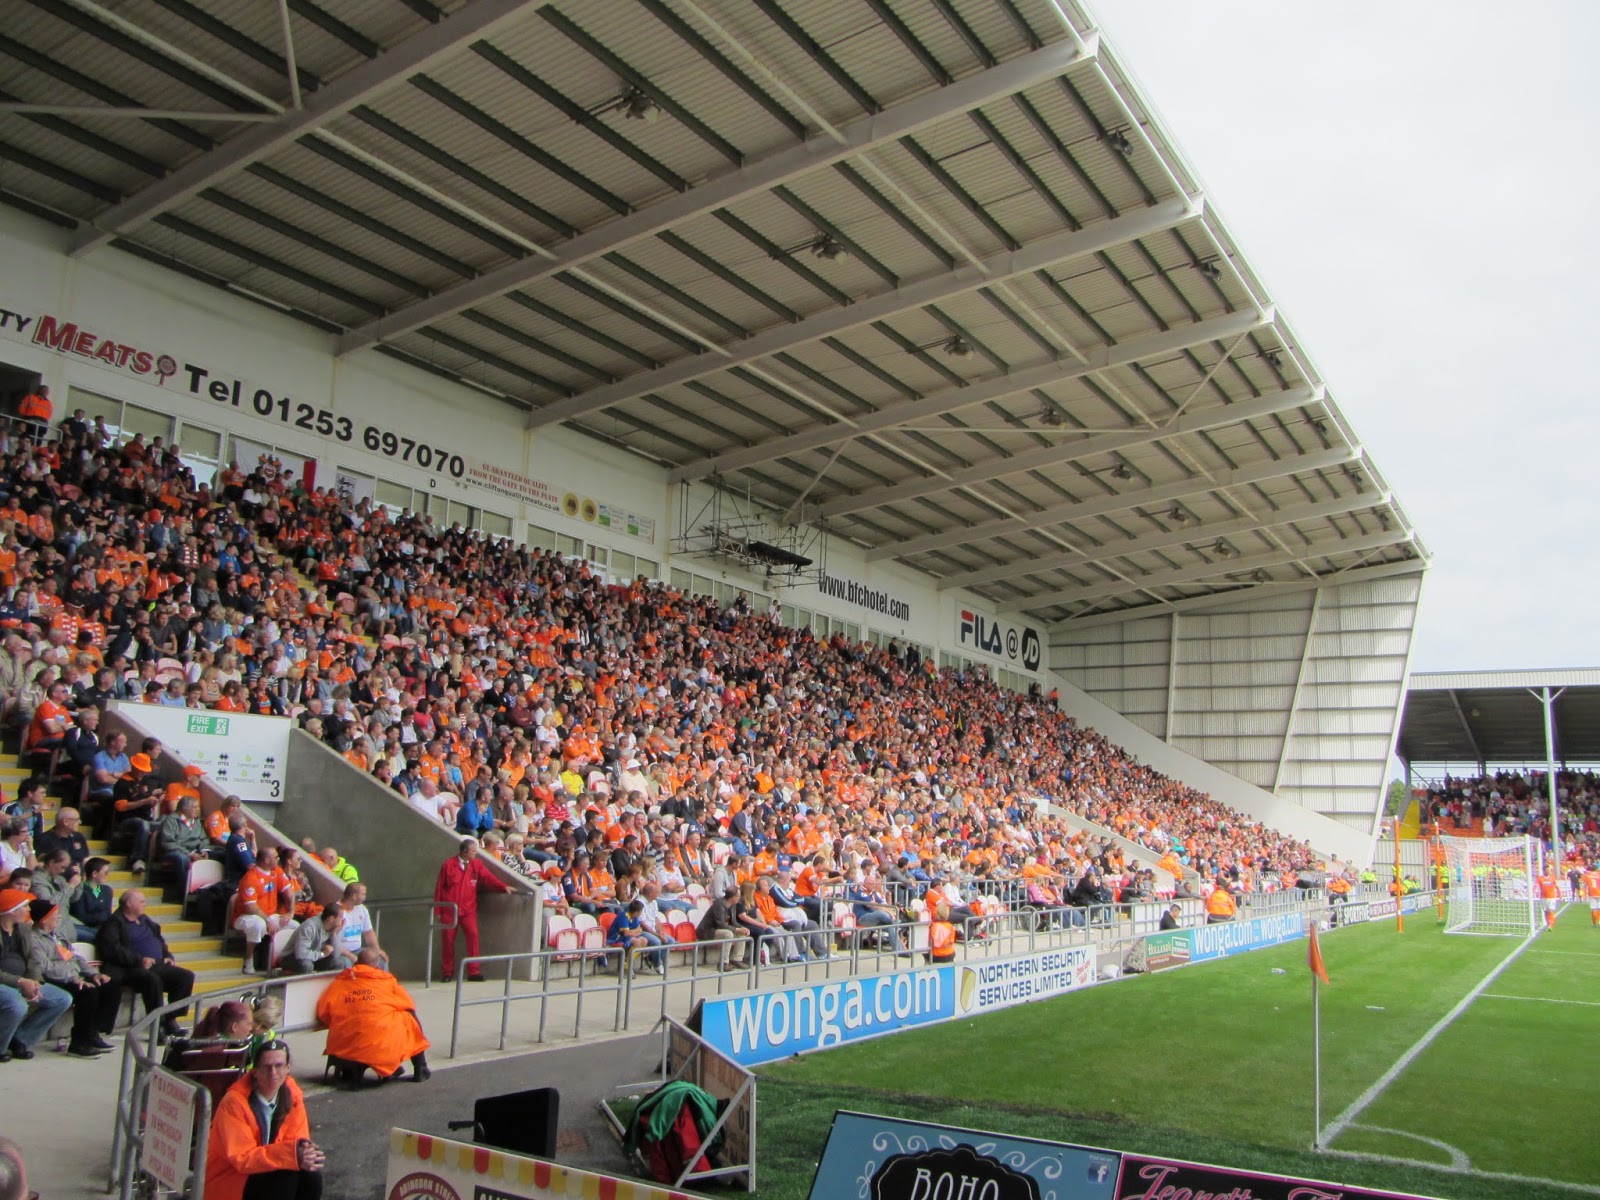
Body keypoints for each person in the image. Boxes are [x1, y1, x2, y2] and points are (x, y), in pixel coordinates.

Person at [205, 1038, 325, 1200]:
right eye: (267, 1067)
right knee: (286, 1176)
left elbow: (297, 1140)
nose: (273, 1073)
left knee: (311, 1174)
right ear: (255, 1071)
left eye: (279, 1066)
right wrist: (292, 1155)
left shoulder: (293, 1096)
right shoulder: (234, 1103)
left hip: (266, 1169)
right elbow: (242, 1159)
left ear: (288, 1068)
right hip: (232, 1178)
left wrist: (306, 1153)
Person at [315, 948, 431, 1086]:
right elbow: (409, 1005)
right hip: (379, 1048)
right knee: (409, 1018)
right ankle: (420, 1067)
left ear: (356, 962)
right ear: (377, 965)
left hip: (344, 1046)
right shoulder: (386, 981)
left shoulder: (340, 982)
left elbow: (323, 1013)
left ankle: (367, 1068)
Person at [25, 897, 117, 1057]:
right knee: (87, 993)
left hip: (72, 975)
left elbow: (74, 958)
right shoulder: (34, 940)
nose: (59, 917)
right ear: (44, 919)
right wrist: (73, 978)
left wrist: (94, 973)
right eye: (55, 915)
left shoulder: (57, 936)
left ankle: (92, 1032)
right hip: (55, 979)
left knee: (109, 986)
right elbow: (45, 968)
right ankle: (79, 1043)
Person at [96, 890, 194, 1039]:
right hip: (129, 968)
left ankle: (169, 1018)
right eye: (141, 902)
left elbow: (158, 939)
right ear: (129, 904)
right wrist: (139, 960)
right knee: (152, 979)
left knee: (185, 977)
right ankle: (157, 1025)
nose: (145, 905)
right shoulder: (113, 923)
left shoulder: (145, 920)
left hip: (157, 964)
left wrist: (167, 955)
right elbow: (113, 951)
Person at [0, 887, 73, 1060]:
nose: (28, 910)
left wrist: (34, 982)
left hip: (23, 981)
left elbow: (32, 960)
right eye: (24, 907)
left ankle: (20, 1039)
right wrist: (20, 982)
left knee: (62, 999)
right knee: (18, 1006)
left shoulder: (24, 930)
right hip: (6, 982)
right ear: (11, 911)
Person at [433, 838, 510, 983]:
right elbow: (439, 888)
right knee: (448, 941)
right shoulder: (448, 865)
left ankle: (473, 971)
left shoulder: (476, 864)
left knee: (473, 937)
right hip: (450, 910)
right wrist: (438, 910)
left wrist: (503, 886)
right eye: (474, 851)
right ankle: (447, 972)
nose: (476, 853)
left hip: (468, 909)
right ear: (465, 851)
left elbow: (488, 877)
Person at [233, 846, 296, 974]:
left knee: (295, 926)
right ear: (267, 860)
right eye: (276, 857)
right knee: (258, 924)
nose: (278, 859)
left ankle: (282, 962)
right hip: (245, 916)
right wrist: (267, 920)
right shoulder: (250, 877)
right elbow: (251, 907)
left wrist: (291, 912)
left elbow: (290, 892)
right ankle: (248, 959)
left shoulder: (276, 871)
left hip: (270, 916)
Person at [694, 886, 750, 970]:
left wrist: (742, 928)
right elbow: (721, 924)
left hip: (720, 929)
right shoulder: (719, 904)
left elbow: (733, 922)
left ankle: (736, 959)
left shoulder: (733, 905)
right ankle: (723, 963)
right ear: (733, 897)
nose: (739, 898)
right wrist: (737, 930)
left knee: (742, 935)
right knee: (728, 934)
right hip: (708, 930)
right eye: (738, 896)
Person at [284, 906, 350, 975]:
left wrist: (334, 934)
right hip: (292, 957)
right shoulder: (309, 927)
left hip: (315, 957)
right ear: (331, 919)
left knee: (343, 961)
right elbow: (301, 954)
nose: (343, 920)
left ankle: (331, 985)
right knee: (307, 965)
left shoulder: (335, 927)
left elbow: (335, 955)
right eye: (341, 917)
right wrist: (322, 954)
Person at [606, 898, 666, 973]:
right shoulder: (624, 916)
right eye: (641, 911)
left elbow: (640, 930)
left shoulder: (635, 917)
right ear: (637, 912)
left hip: (629, 936)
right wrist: (634, 932)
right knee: (637, 942)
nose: (641, 913)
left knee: (644, 940)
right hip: (616, 937)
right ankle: (626, 967)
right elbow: (626, 933)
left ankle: (628, 963)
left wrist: (633, 932)